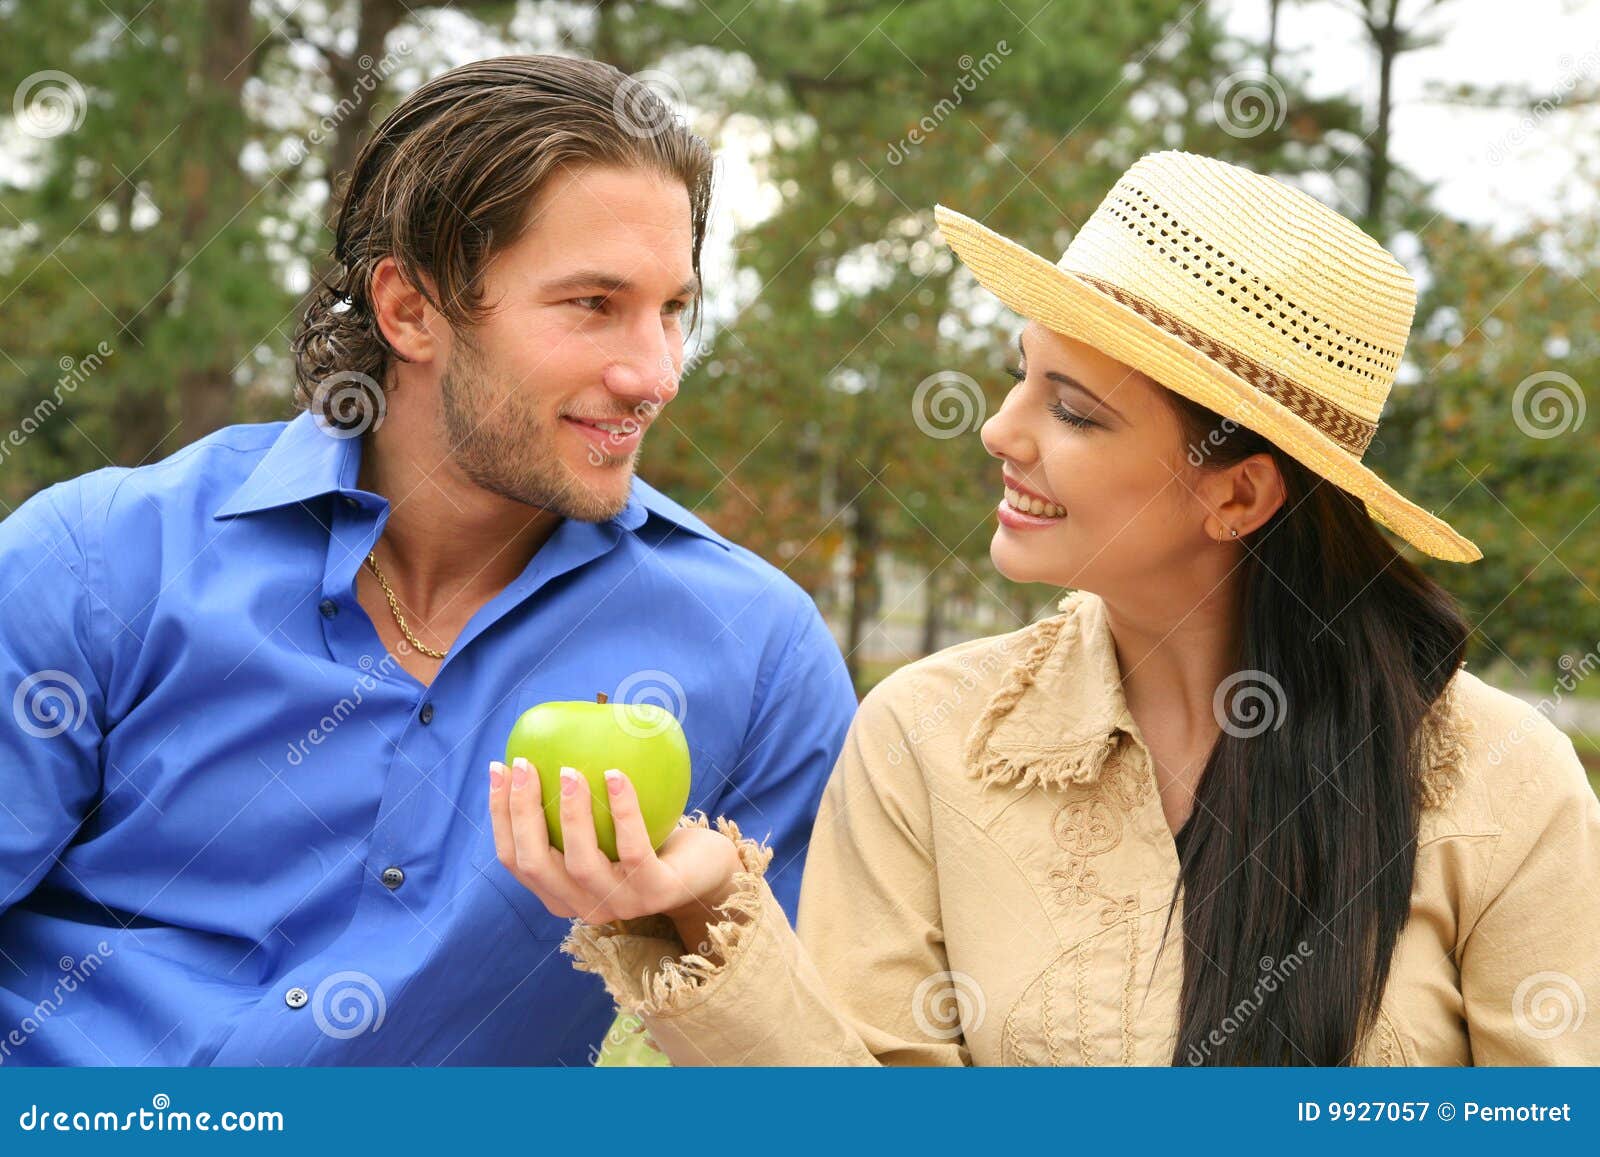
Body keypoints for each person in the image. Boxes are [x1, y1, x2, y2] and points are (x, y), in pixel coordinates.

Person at [495, 150, 1600, 1065]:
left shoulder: (1504, 781)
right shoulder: (923, 737)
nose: (1000, 429)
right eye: (1019, 373)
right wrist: (697, 905)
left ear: (1238, 490)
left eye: (1073, 410)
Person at [0, 55, 855, 1067]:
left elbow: (827, 1081)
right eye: (592, 303)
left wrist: (714, 913)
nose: (654, 372)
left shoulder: (756, 655)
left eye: (674, 309)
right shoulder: (99, 560)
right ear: (410, 309)